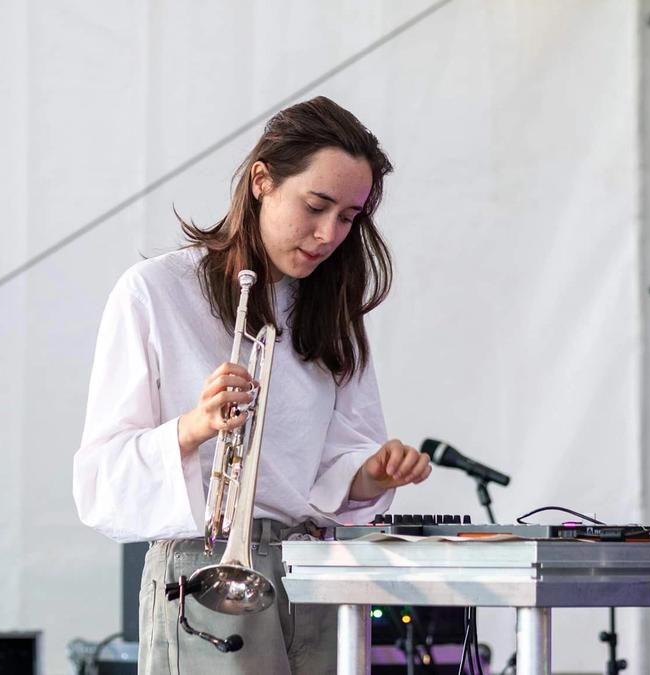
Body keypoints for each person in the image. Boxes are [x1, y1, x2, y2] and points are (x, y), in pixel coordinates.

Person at [72, 96, 431, 674]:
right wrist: (193, 427)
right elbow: (99, 481)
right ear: (262, 180)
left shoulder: (332, 313)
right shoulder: (153, 292)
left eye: (348, 218)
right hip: (206, 569)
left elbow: (336, 468)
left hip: (318, 573)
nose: (327, 234)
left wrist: (372, 472)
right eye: (316, 206)